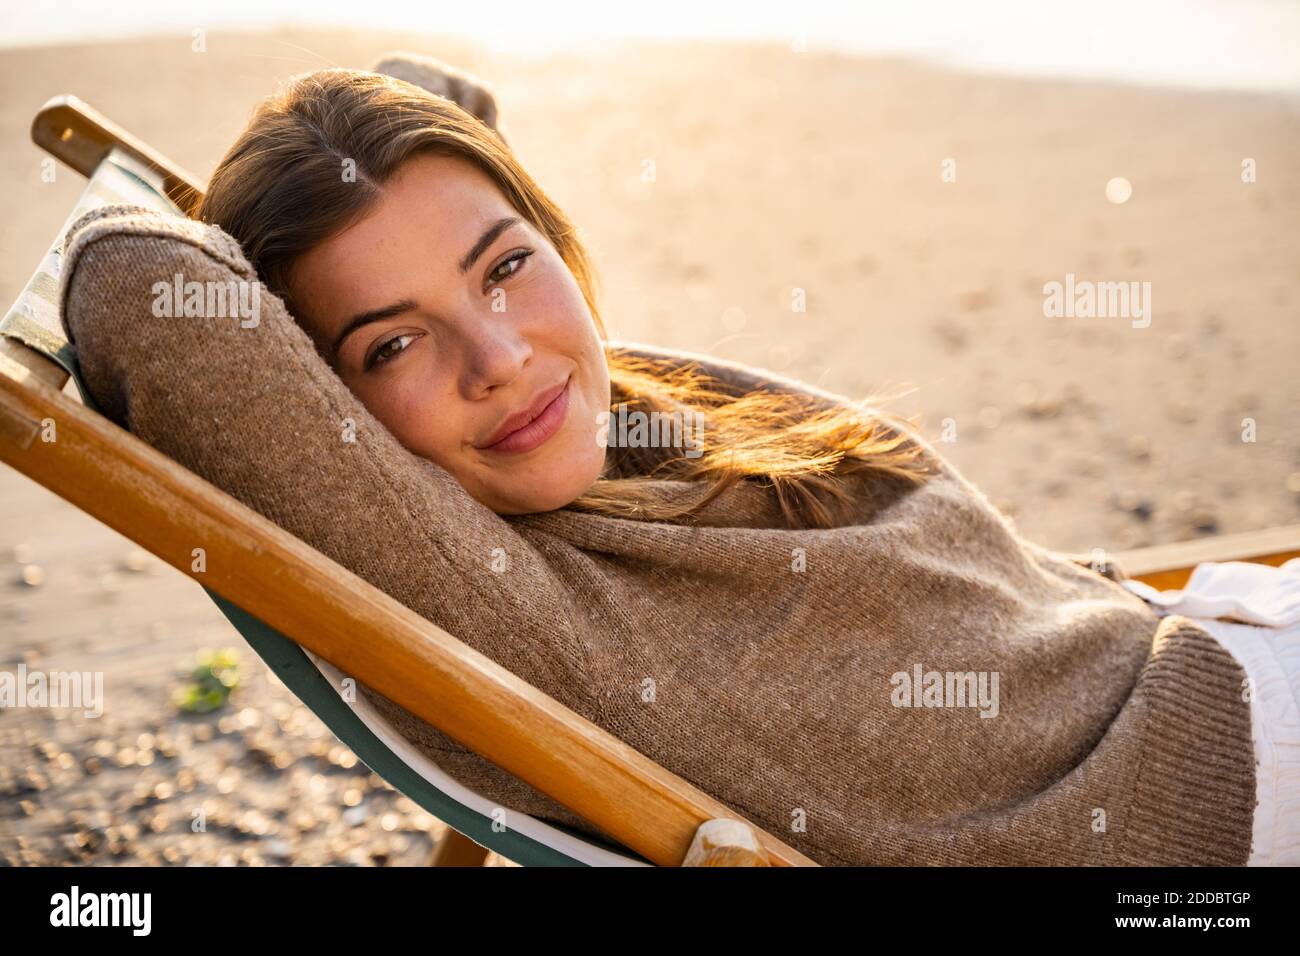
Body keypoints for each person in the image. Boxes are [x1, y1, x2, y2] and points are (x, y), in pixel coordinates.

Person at [61, 54, 1294, 865]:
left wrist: (360, 122)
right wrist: (155, 212)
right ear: (321, 406)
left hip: (1205, 644)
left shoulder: (632, 432)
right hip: (1224, 790)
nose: (501, 357)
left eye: (505, 264)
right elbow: (143, 288)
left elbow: (444, 119)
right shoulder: (509, 597)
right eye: (392, 344)